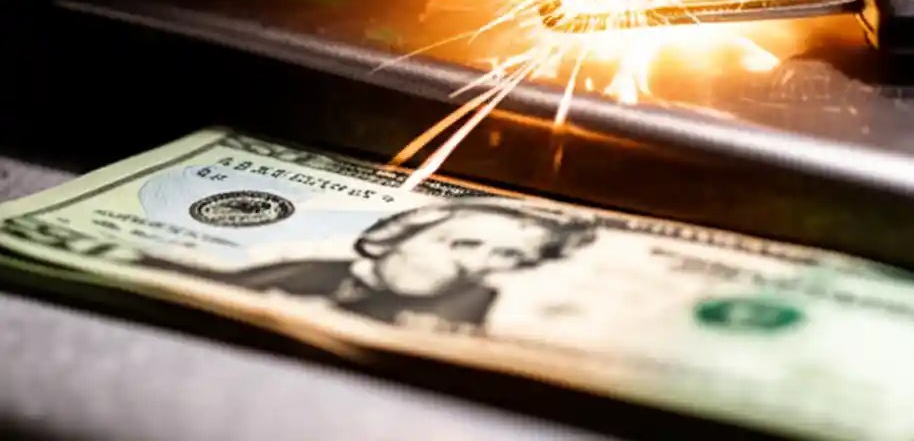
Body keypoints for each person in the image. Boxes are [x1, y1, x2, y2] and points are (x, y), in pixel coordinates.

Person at [151, 198, 597, 327]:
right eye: (462, 243)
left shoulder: (477, 304)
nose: (472, 265)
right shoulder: (302, 269)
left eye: (506, 256)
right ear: (395, 235)